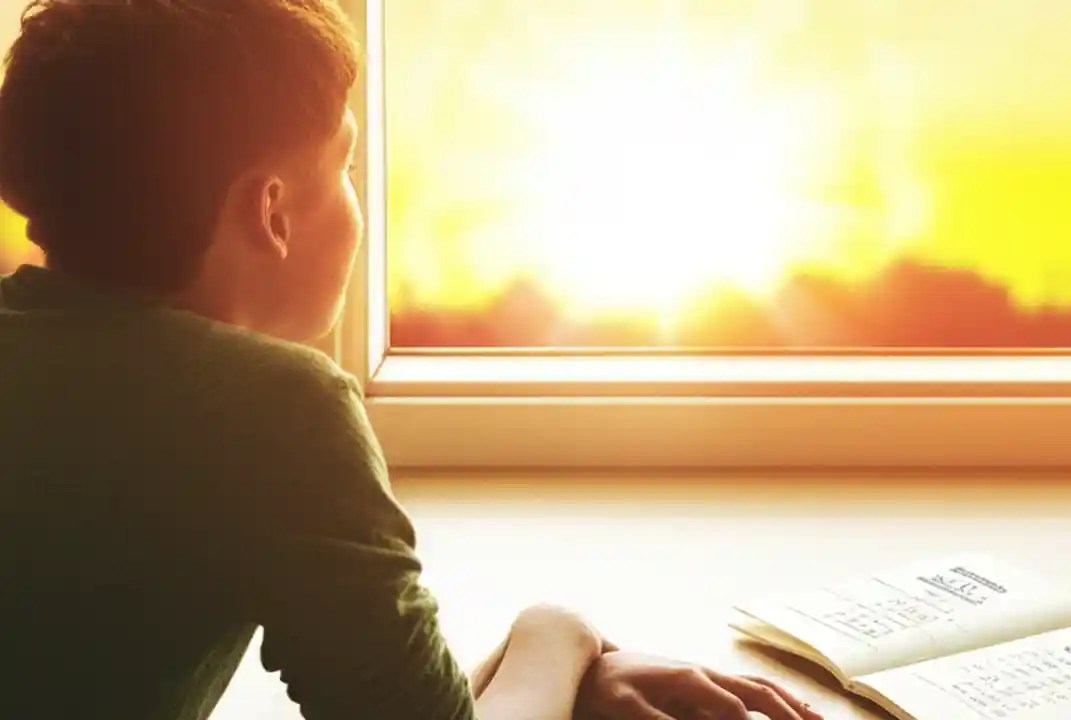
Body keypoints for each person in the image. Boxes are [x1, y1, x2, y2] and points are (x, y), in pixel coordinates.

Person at [0, 2, 825, 719]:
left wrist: (541, 679)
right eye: (346, 166)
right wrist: (556, 634)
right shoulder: (268, 413)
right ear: (273, 213)